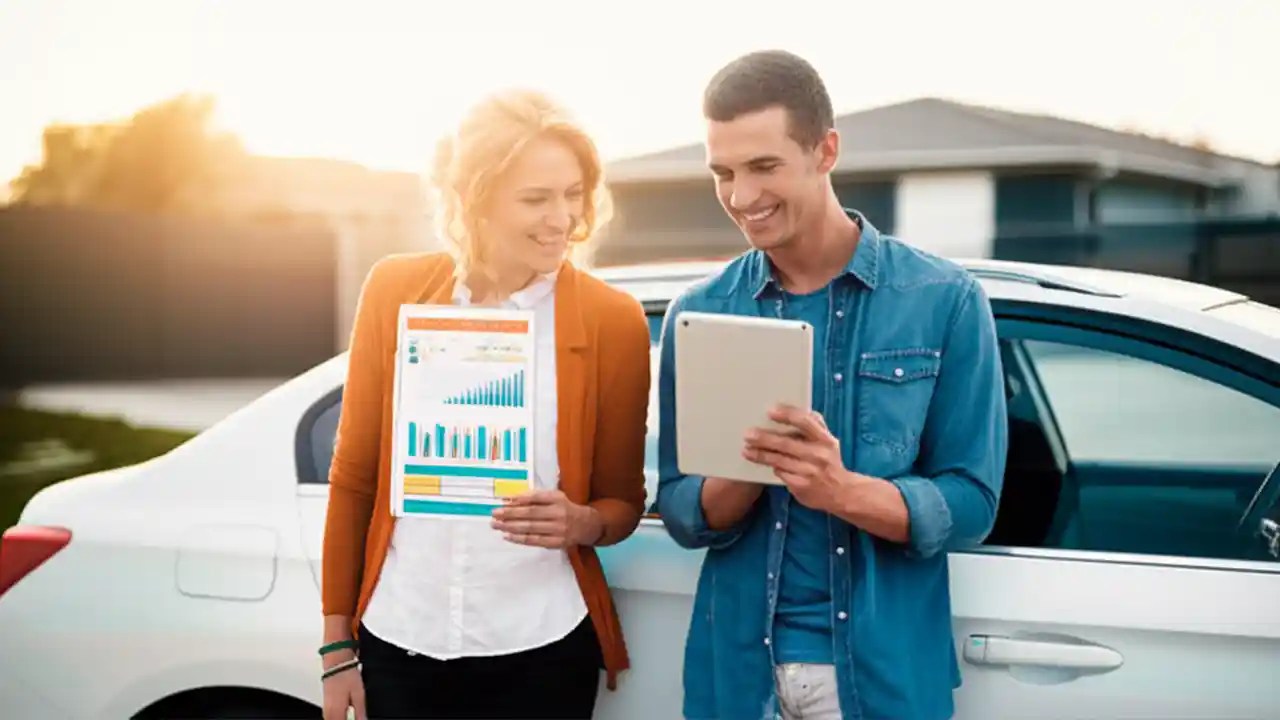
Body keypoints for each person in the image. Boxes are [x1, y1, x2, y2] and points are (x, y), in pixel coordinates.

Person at [656, 50, 1008, 720]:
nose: (741, 196)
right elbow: (678, 506)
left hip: (877, 683)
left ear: (827, 151)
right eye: (723, 173)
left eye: (764, 166)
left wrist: (842, 491)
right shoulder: (699, 315)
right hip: (736, 678)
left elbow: (973, 501)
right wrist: (747, 470)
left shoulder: (944, 300)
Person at [319, 89, 651, 720]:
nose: (564, 219)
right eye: (536, 198)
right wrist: (338, 650)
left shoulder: (613, 320)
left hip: (540, 647)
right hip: (400, 638)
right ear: (475, 198)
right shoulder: (395, 291)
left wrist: (580, 522)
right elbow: (355, 477)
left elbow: (621, 503)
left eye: (574, 193)